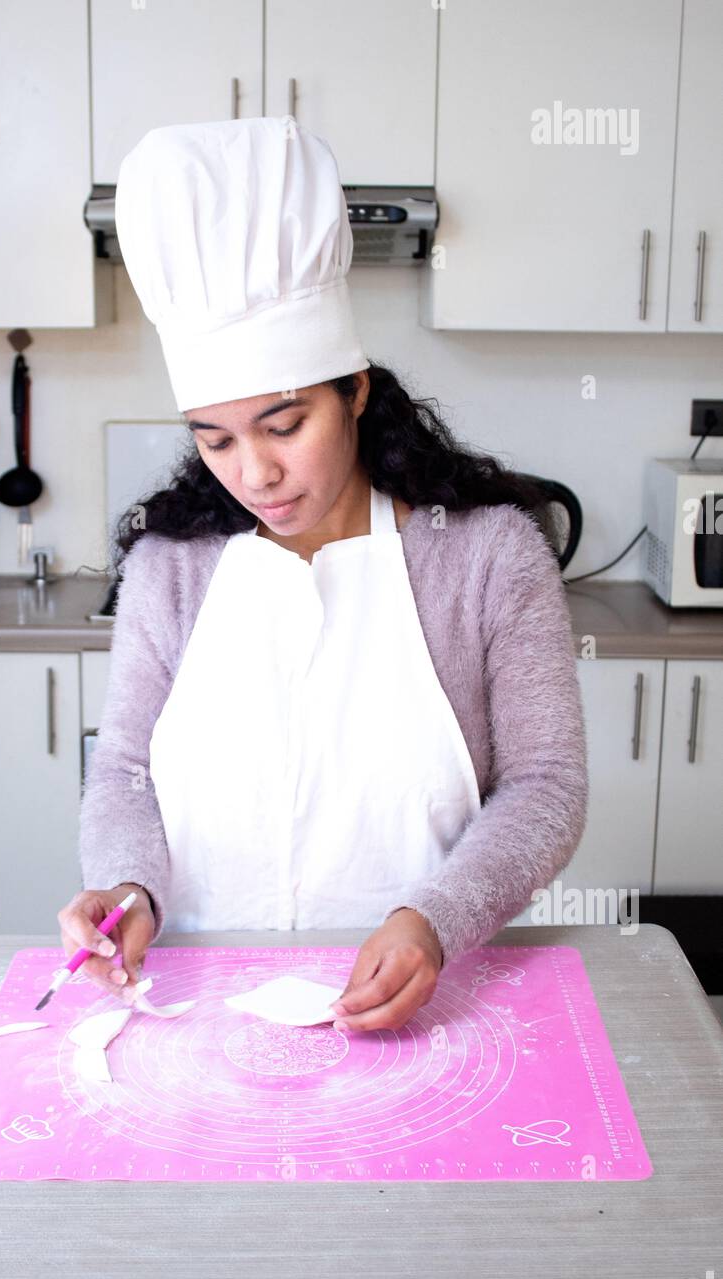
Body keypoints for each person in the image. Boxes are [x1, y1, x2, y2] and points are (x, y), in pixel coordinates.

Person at [59, 116, 588, 1033]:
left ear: (353, 391)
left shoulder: (489, 556)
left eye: (284, 424)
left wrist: (434, 918)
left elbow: (546, 785)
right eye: (214, 438)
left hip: (427, 1001)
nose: (254, 473)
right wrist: (126, 885)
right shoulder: (171, 570)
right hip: (197, 1011)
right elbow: (126, 771)